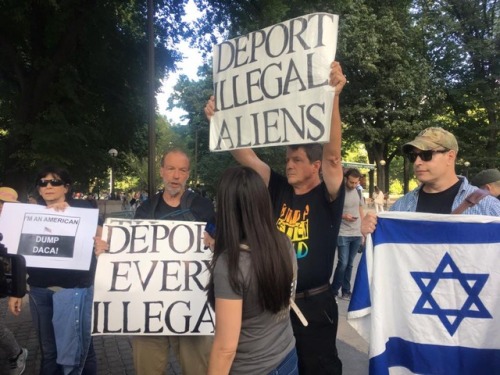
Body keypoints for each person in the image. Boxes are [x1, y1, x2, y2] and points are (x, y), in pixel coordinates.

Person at [205, 61, 347, 374]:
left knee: (319, 368)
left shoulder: (328, 196)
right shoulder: (278, 188)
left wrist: (333, 97)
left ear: (315, 166)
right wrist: (221, 121)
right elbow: (248, 157)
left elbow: (334, 156)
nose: (289, 165)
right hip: (278, 309)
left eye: (297, 159)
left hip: (314, 305)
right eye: (286, 159)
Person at [108, 149, 215, 375]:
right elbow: (131, 252)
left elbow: (221, 249)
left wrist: (213, 242)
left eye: (182, 170)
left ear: (187, 174)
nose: (176, 176)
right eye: (171, 169)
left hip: (191, 308)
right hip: (150, 308)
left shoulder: (204, 207)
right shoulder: (147, 208)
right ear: (162, 171)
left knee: (198, 370)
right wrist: (108, 248)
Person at [8, 166, 101, 375]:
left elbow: (102, 235)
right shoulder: (30, 214)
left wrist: (71, 212)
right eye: (43, 182)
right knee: (49, 351)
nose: (48, 186)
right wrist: (17, 290)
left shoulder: (82, 208)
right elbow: (17, 256)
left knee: (82, 350)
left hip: (74, 290)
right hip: (40, 291)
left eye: (55, 182)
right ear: (39, 189)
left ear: (66, 187)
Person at [207, 166, 297, 374]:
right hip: (287, 357)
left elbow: (225, 349)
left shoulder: (230, 264)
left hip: (251, 368)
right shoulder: (284, 242)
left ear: (227, 208)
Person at [362, 127, 500, 236]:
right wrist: (369, 235)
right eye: (413, 156)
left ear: (450, 157)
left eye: (426, 155)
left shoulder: (488, 207)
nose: (417, 162)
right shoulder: (401, 207)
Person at [0, 187, 29, 375]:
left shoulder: (16, 226)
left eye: (6, 204)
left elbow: (19, 262)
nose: (3, 208)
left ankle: (17, 354)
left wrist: (17, 293)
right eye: (1, 203)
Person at [331, 168, 365, 300]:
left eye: (356, 182)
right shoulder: (338, 191)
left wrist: (363, 230)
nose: (354, 185)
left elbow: (361, 209)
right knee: (343, 263)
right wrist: (344, 216)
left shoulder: (358, 191)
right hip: (342, 233)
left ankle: (346, 291)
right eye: (351, 182)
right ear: (346, 179)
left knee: (350, 264)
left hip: (356, 233)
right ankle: (333, 291)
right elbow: (331, 211)